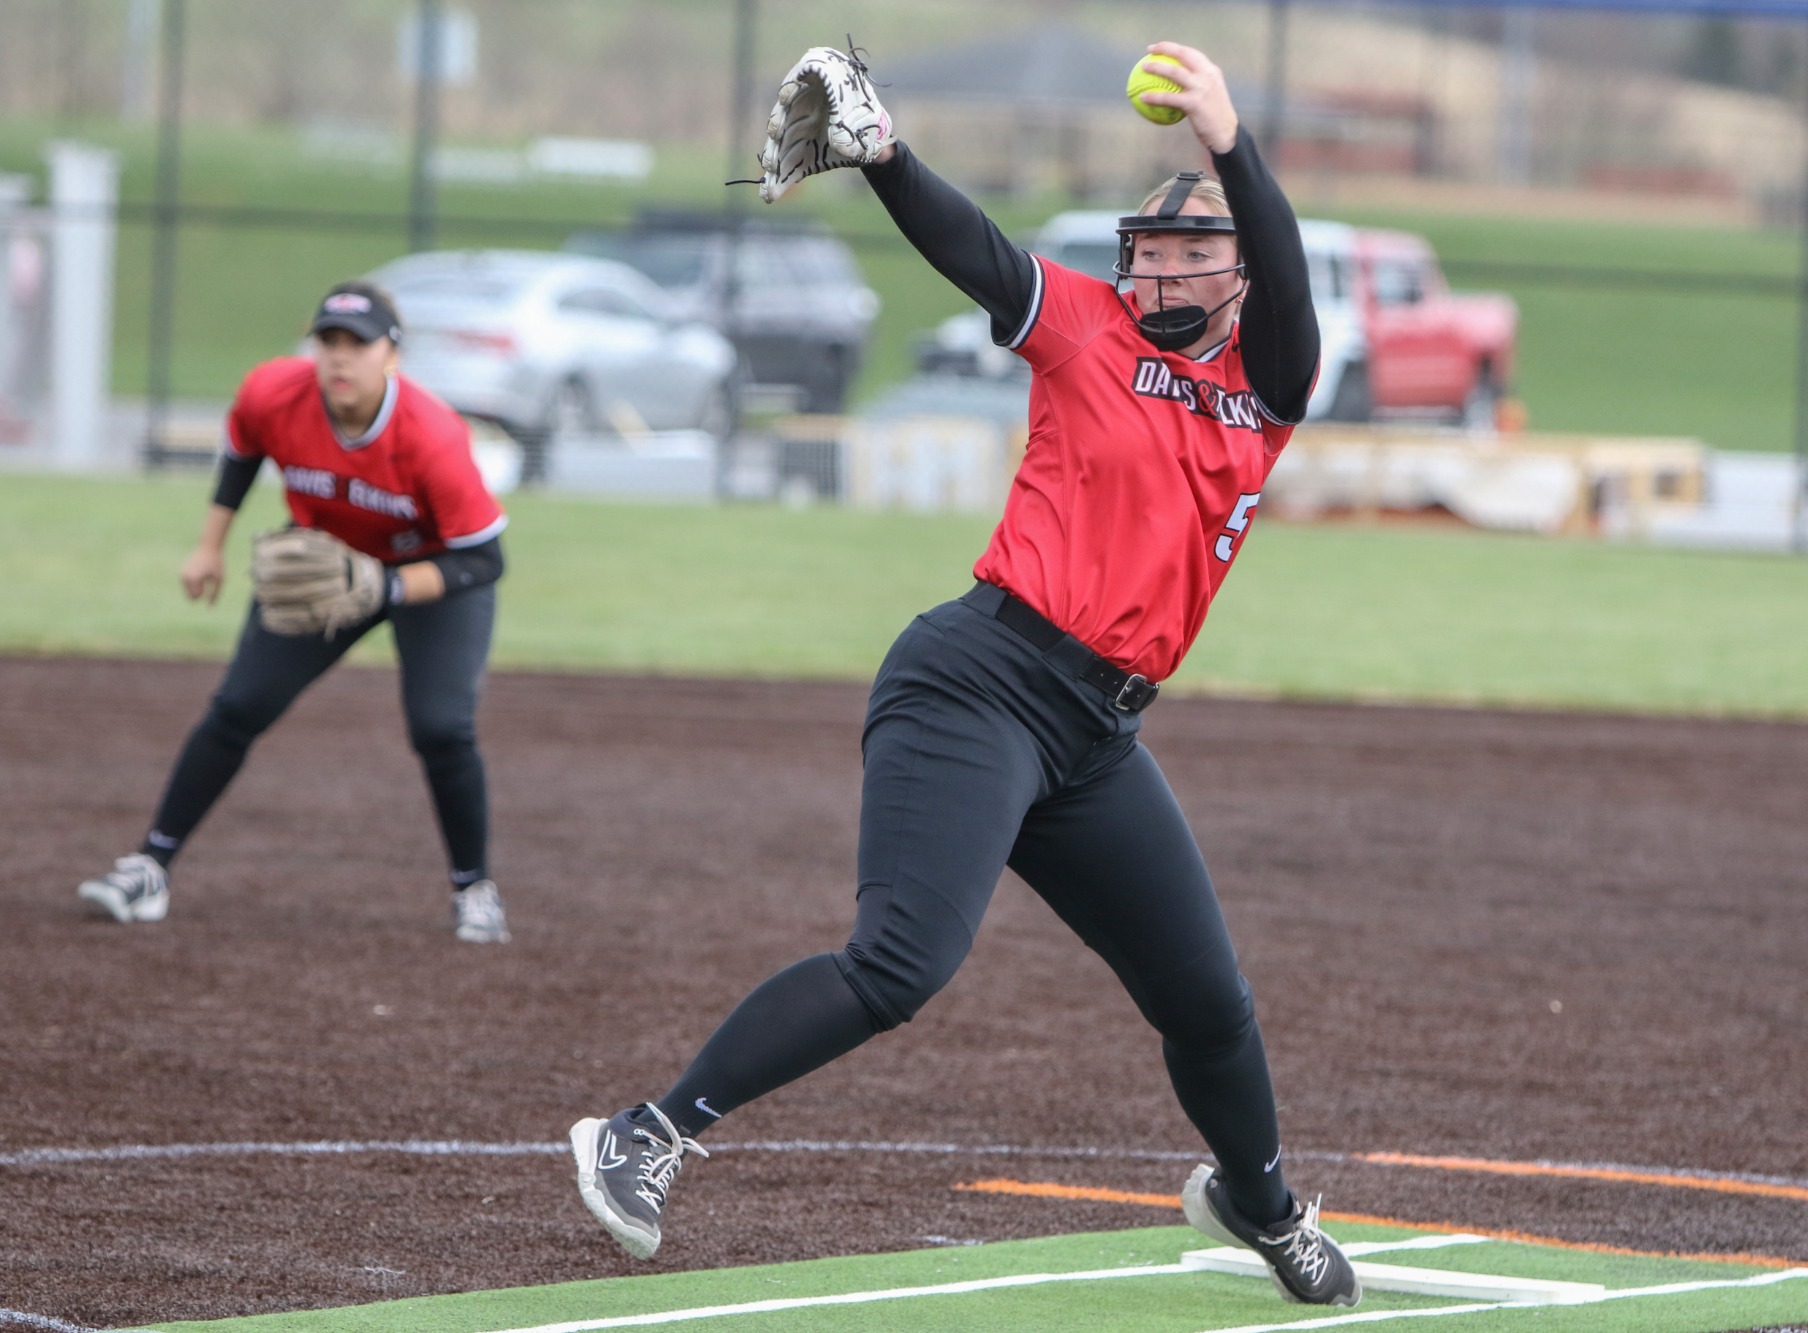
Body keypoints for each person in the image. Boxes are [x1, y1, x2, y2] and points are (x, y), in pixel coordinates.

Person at [569, 41, 1359, 1306]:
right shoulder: (1085, 330)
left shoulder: (1265, 389)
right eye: (1145, 255)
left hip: (1096, 736)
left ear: (1244, 279)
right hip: (977, 682)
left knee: (1208, 1001)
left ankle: (1259, 1208)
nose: (1157, 272)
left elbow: (1285, 269)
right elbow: (971, 245)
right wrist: (883, 157)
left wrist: (1226, 138)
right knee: (901, 962)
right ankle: (646, 1133)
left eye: (1189, 258)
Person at [75, 281, 513, 944]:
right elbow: (244, 451)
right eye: (328, 341)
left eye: (357, 344)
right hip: (320, 570)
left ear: (391, 355)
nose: (340, 357)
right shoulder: (274, 393)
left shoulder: (432, 436)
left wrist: (386, 588)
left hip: (432, 578)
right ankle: (149, 866)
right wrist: (209, 546)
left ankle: (474, 889)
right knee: (238, 706)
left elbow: (484, 560)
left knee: (441, 728)